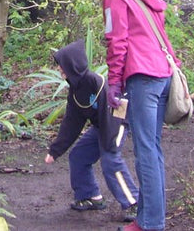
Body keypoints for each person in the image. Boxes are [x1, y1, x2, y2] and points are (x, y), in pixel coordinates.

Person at [99, 0, 178, 231]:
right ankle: (146, 219)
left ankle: (152, 224)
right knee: (152, 151)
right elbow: (161, 37)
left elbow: (116, 42)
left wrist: (114, 83)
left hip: (143, 78)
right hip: (163, 75)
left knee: (145, 153)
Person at [43, 41, 139, 221]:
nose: (59, 69)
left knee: (110, 160)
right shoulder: (75, 92)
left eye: (62, 66)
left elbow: (113, 112)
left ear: (73, 66)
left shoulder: (97, 83)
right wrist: (55, 151)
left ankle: (134, 203)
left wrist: (108, 141)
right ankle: (90, 196)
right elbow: (71, 123)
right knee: (78, 156)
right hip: (101, 127)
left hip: (117, 123)